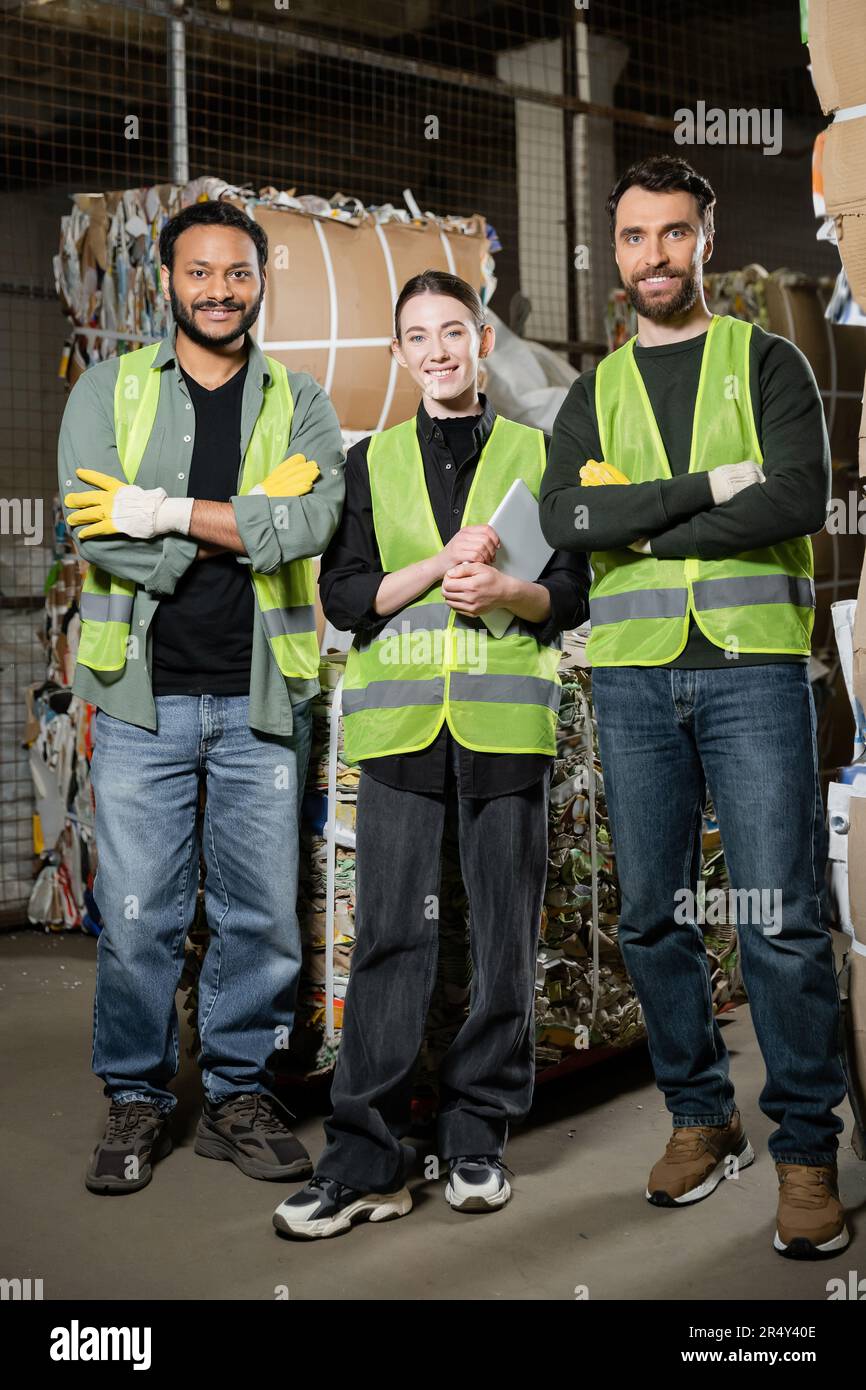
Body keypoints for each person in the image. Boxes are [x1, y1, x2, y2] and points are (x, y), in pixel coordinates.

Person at [540, 155, 849, 1259]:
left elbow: (794, 495)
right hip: (629, 678)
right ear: (613, 251)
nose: (652, 256)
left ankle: (805, 1148)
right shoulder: (593, 390)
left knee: (776, 916)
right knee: (649, 916)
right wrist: (697, 497)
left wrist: (640, 525)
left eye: (672, 234)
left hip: (750, 671)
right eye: (632, 237)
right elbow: (566, 516)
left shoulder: (763, 362)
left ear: (702, 241)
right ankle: (697, 1115)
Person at [272, 269, 589, 1238]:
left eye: (454, 331)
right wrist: (438, 564)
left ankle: (475, 1135)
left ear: (480, 342)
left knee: (499, 939)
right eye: (419, 336)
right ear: (399, 356)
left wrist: (506, 592)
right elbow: (343, 597)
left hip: (502, 728)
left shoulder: (542, 454)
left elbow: (571, 592)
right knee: (390, 942)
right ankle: (366, 1156)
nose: (440, 350)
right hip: (400, 730)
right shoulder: (370, 464)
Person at [58, 199, 345, 1194]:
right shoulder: (111, 389)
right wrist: (234, 522)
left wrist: (164, 509)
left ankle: (236, 1091)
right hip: (143, 696)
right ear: (166, 281)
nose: (218, 290)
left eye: (236, 273)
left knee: (260, 911)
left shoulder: (299, 400)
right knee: (140, 913)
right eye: (198, 272)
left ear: (259, 280)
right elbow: (94, 528)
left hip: (263, 697)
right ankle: (137, 1094)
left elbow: (310, 523)